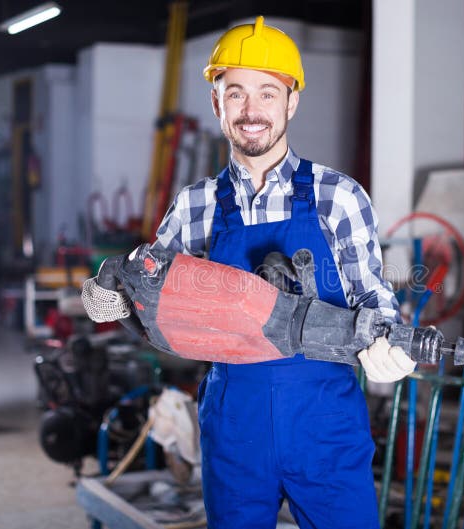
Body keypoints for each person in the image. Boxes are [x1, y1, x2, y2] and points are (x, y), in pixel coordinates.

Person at [157, 16, 416, 529]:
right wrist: (114, 289)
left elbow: (374, 298)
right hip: (235, 424)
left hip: (324, 423)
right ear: (216, 103)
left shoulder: (337, 197)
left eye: (267, 93)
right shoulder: (195, 207)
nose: (251, 111)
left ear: (291, 101)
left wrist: (392, 344)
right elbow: (154, 293)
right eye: (235, 94)